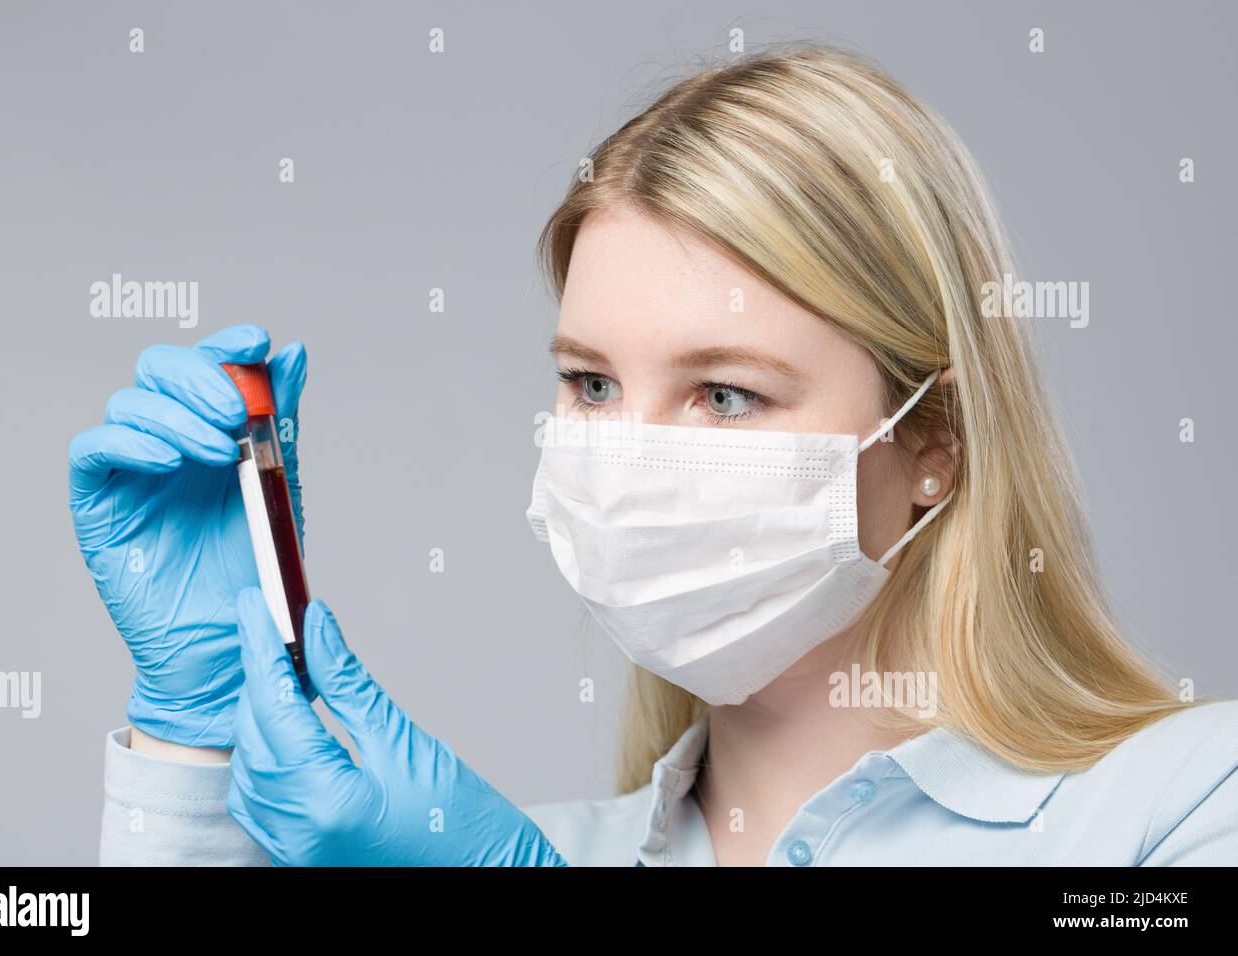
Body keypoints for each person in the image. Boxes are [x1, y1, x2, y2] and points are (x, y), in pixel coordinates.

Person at [71, 44, 1238, 867]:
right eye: (590, 383)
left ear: (933, 439)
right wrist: (196, 742)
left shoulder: (1178, 809)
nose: (628, 459)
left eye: (724, 393)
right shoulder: (546, 845)